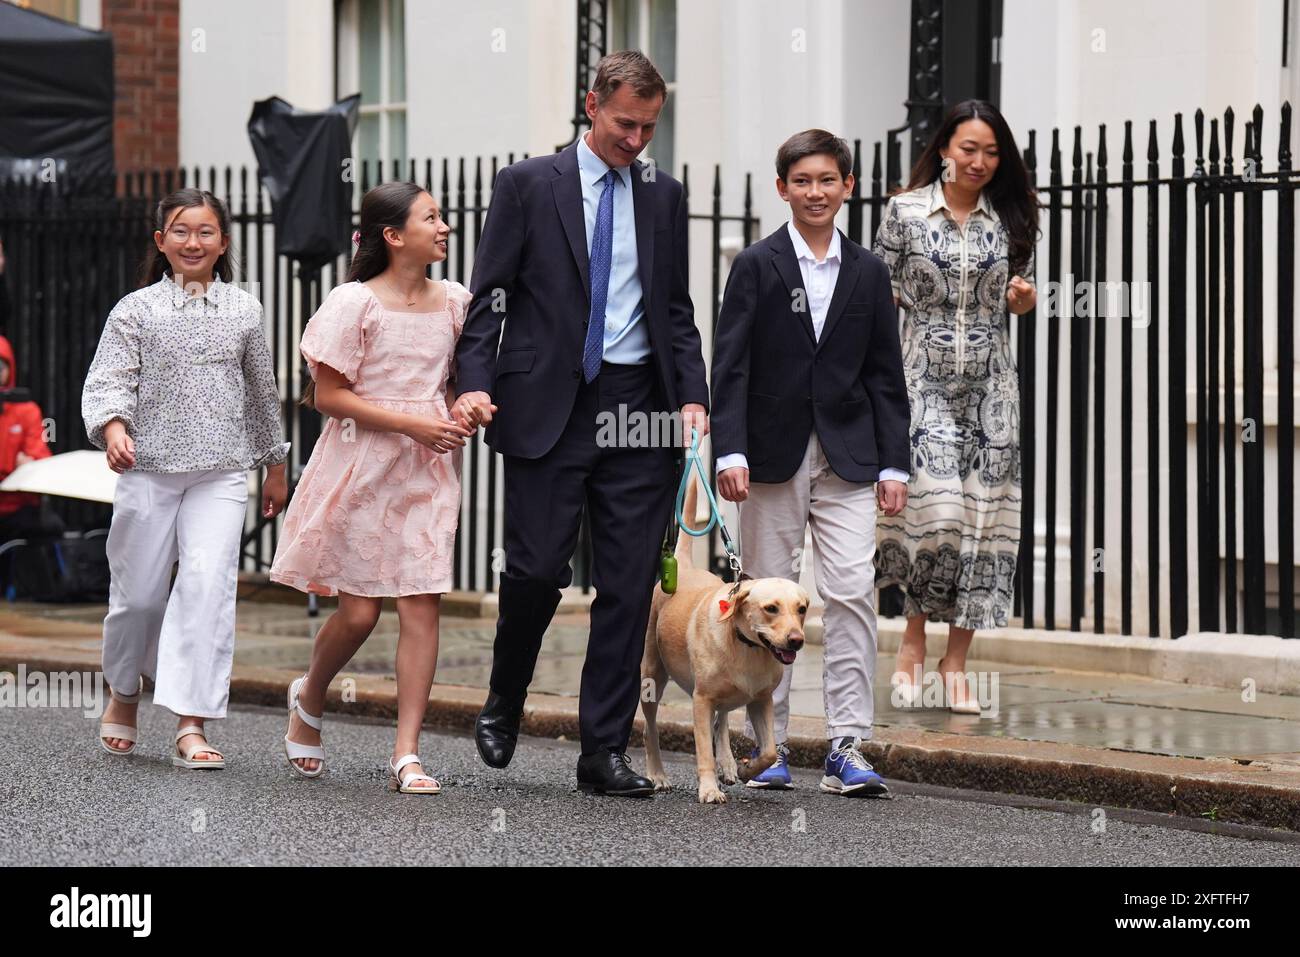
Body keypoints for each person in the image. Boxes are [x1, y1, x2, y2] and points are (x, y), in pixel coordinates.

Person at [452, 50, 709, 798]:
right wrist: (473, 383)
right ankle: (506, 695)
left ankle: (602, 749)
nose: (637, 141)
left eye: (650, 127)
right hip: (549, 408)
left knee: (629, 586)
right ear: (590, 104)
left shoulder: (665, 195)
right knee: (535, 571)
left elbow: (675, 309)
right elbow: (488, 296)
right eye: (626, 123)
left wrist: (691, 395)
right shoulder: (529, 185)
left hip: (640, 408)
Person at [712, 129, 910, 795]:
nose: (816, 191)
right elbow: (730, 364)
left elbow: (887, 374)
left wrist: (894, 464)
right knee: (768, 604)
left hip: (851, 456)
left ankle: (847, 745)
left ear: (848, 186)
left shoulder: (869, 271)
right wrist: (730, 448)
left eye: (828, 180)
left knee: (852, 591)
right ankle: (768, 746)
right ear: (782, 189)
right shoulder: (756, 265)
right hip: (769, 456)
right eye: (803, 181)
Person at [271, 182, 471, 795]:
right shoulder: (352, 302)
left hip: (427, 472)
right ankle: (310, 694)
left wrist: (465, 407)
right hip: (360, 464)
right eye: (430, 218)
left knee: (422, 599)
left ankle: (407, 752)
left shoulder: (458, 302)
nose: (444, 227)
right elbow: (327, 396)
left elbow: (462, 380)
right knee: (358, 612)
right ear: (392, 235)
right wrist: (413, 421)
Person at [82, 187, 289, 765]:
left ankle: (191, 722)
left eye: (205, 231)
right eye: (180, 230)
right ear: (161, 242)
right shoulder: (134, 310)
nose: (193, 241)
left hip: (221, 473)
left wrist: (275, 464)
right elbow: (108, 382)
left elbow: (261, 393)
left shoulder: (245, 309)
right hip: (147, 469)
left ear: (223, 242)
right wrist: (115, 428)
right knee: (140, 597)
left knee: (206, 588)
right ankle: (124, 692)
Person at [871, 100, 1038, 712]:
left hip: (993, 390)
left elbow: (1018, 301)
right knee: (937, 518)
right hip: (922, 384)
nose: (980, 162)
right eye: (969, 149)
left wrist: (1023, 297)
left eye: (992, 153)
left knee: (983, 527)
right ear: (943, 148)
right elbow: (875, 296)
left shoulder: (1011, 218)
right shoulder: (905, 212)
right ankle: (913, 642)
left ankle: (957, 661)